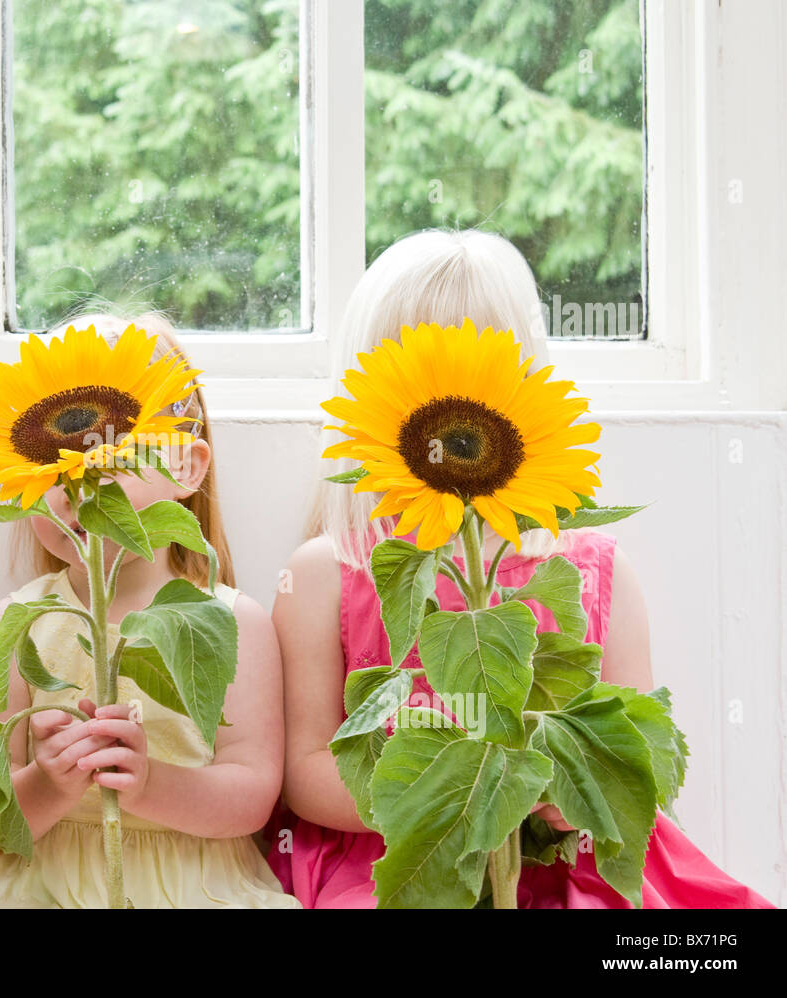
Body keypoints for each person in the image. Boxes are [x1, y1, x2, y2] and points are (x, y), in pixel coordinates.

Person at [267, 228, 774, 908]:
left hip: (560, 867)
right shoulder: (329, 574)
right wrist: (453, 806)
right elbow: (305, 770)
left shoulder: (592, 570)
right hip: (399, 860)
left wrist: (573, 793)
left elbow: (633, 744)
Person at [0, 313, 300, 908]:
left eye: (110, 452)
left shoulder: (230, 621)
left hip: (197, 885)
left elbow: (252, 798)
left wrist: (148, 786)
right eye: (51, 460)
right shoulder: (10, 628)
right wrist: (47, 783)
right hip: (46, 884)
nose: (77, 481)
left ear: (186, 469)